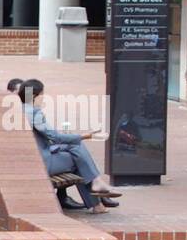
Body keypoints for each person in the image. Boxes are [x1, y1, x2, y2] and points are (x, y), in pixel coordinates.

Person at [19, 78, 120, 214]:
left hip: (27, 160)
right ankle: (96, 195)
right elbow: (54, 137)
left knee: (75, 148)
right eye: (43, 95)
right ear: (35, 96)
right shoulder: (35, 113)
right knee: (77, 159)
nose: (43, 99)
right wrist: (84, 136)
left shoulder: (18, 110)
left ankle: (97, 193)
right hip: (41, 163)